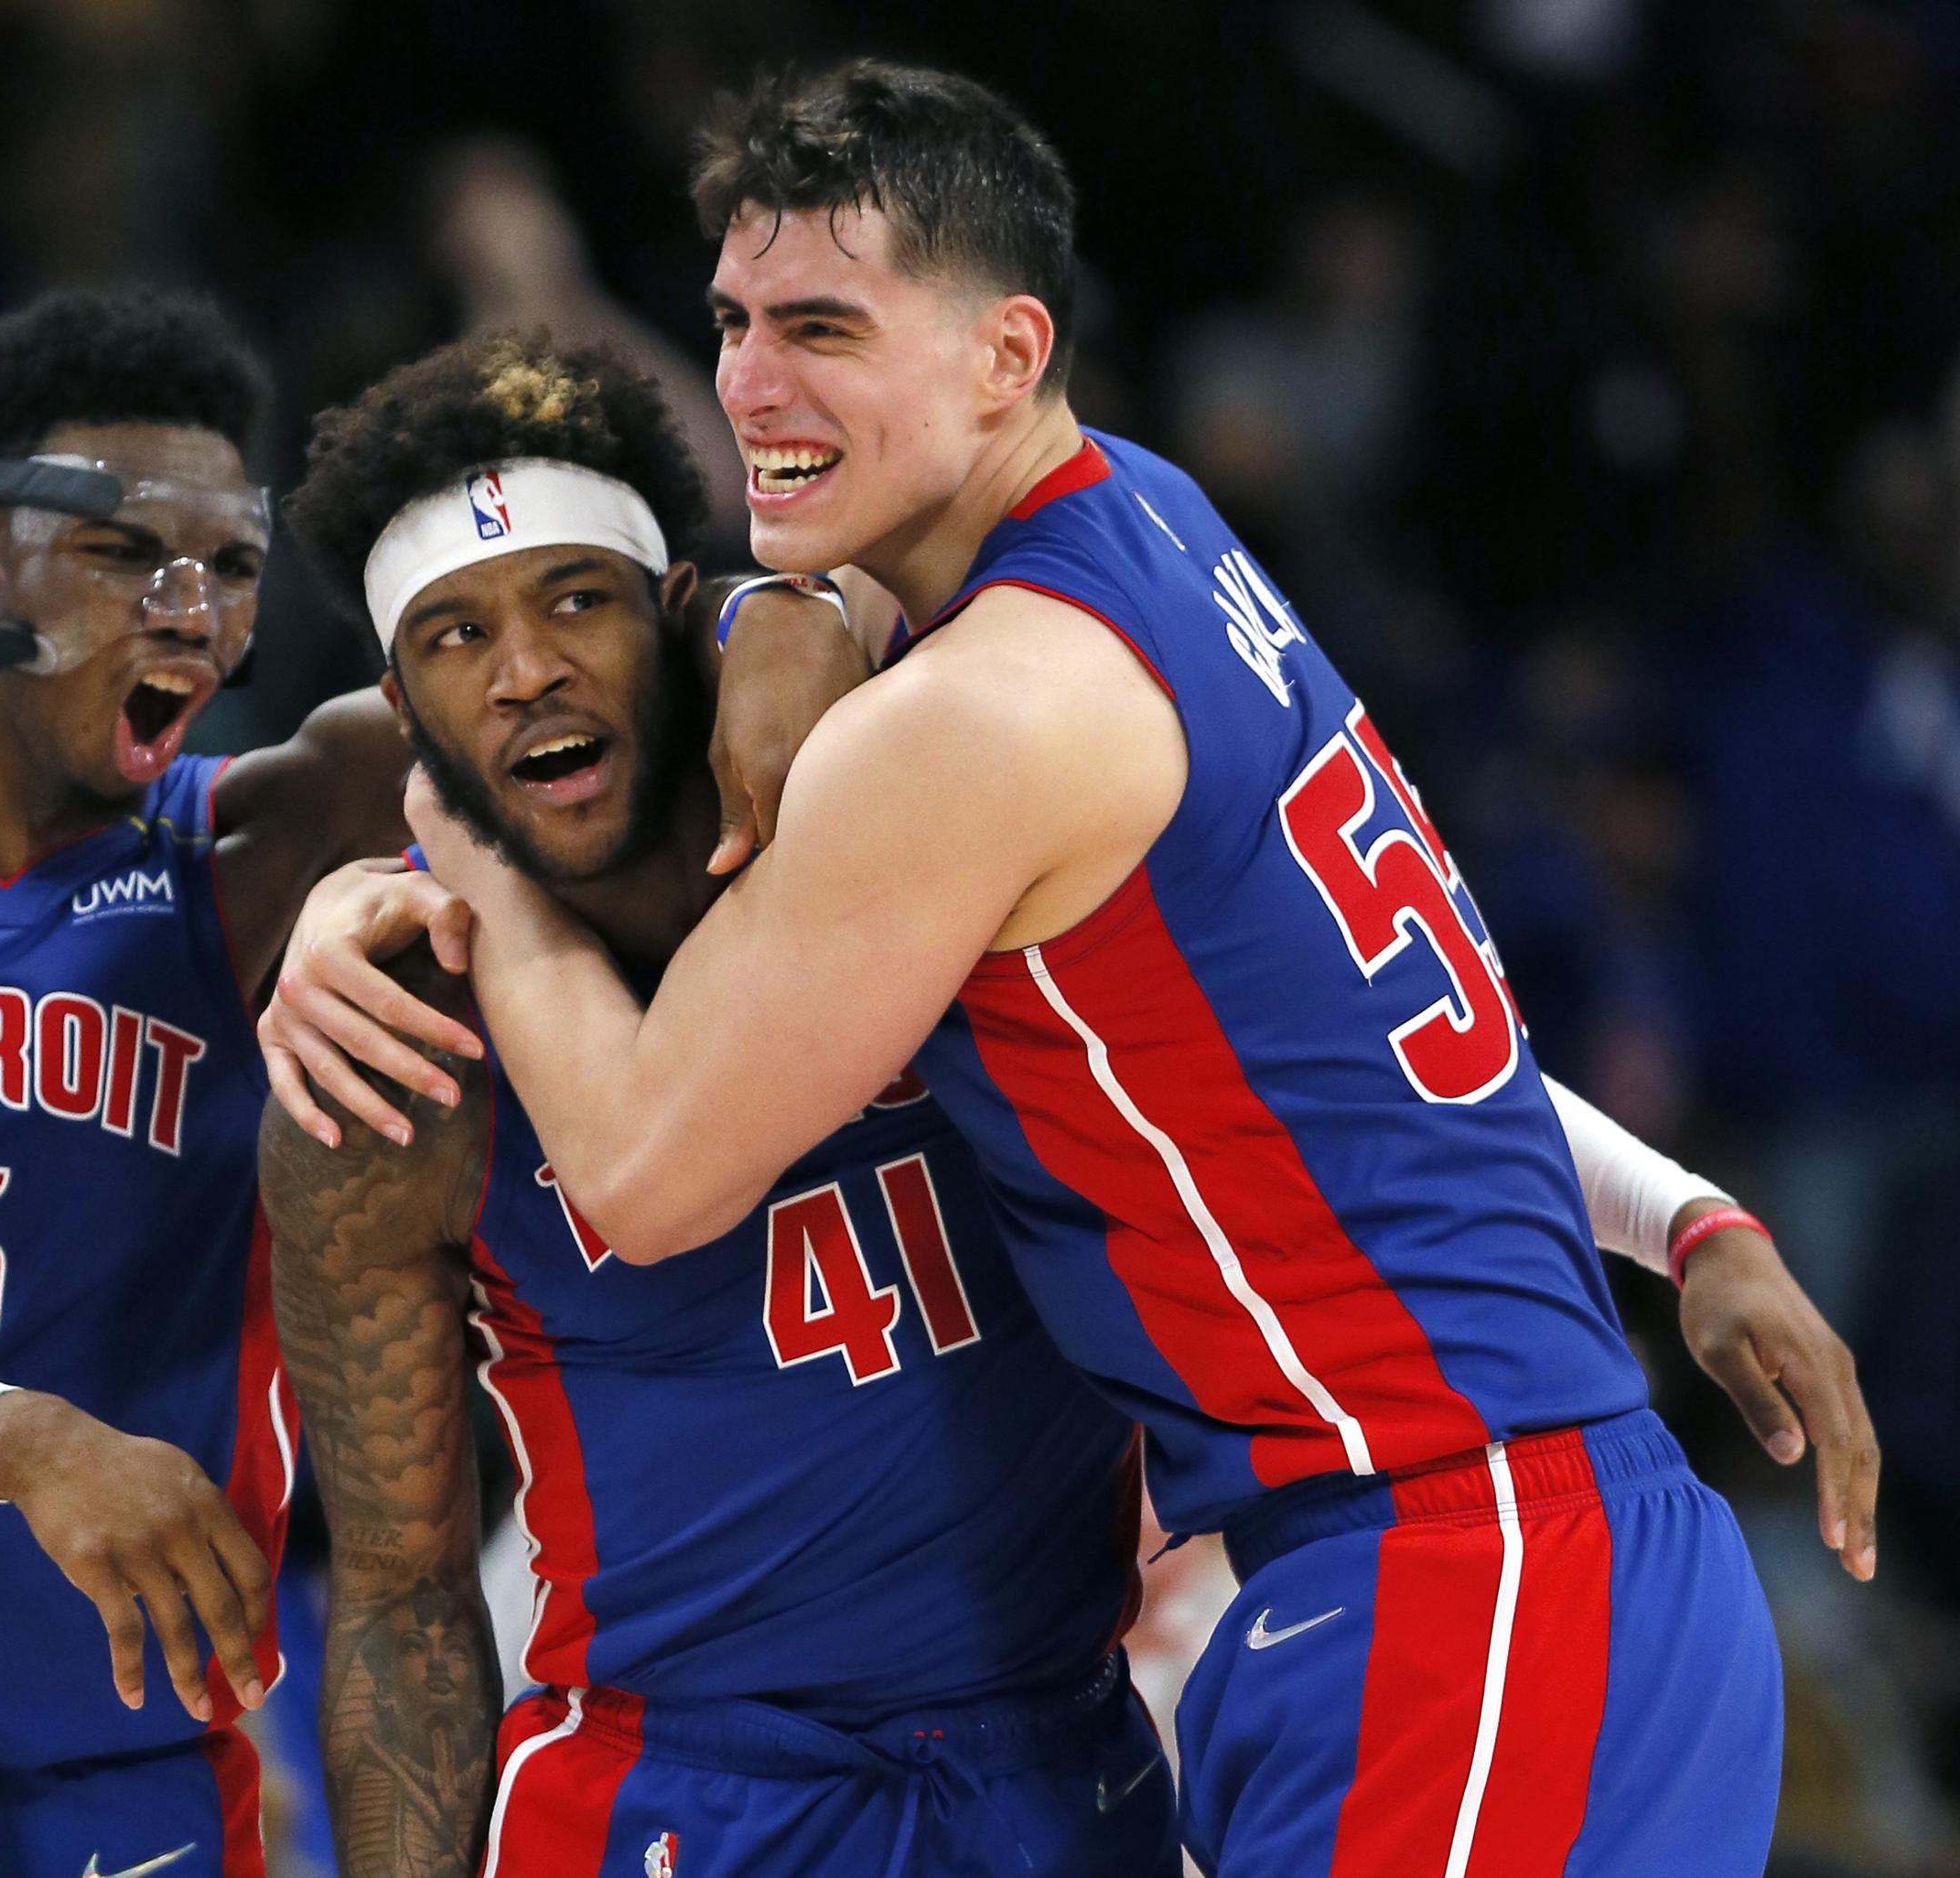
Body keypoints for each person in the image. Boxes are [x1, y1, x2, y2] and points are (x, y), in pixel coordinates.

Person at [264, 61, 1876, 1878]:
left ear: (1006, 354)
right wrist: (1691, 1220)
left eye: (821, 330)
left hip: (1447, 1583)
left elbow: (641, 1172)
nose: (751, 388)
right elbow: (1343, 1047)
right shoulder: (1143, 521)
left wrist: (455, 844)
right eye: (731, 326)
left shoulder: (965, 723)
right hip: (1441, 1566)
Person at [0, 286, 846, 1878]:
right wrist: (19, 1440)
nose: (188, 609)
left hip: (116, 1781)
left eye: (226, 571)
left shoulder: (260, 843)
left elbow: (574, 642)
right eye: (121, 555)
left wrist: (795, 614)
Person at [263, 329, 1171, 1878]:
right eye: (455, 635)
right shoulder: (397, 1051)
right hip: (683, 1792)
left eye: (574, 601)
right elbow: (406, 1597)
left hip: (1057, 1750)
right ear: (405, 717)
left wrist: (794, 606)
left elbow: (1283, 1072)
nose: (527, 666)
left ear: (674, 615)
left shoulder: (929, 825)